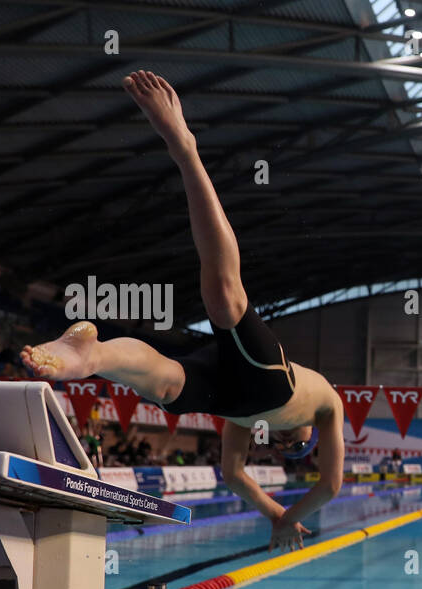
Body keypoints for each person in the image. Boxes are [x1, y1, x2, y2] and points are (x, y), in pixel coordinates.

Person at [21, 71, 343, 552]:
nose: (279, 445)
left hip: (227, 392)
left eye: (281, 450)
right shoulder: (328, 406)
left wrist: (276, 514)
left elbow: (232, 475)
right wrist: (292, 514)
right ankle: (184, 147)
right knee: (224, 297)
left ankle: (92, 356)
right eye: (296, 445)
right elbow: (331, 486)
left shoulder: (243, 425)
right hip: (273, 377)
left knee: (164, 382)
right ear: (311, 434)